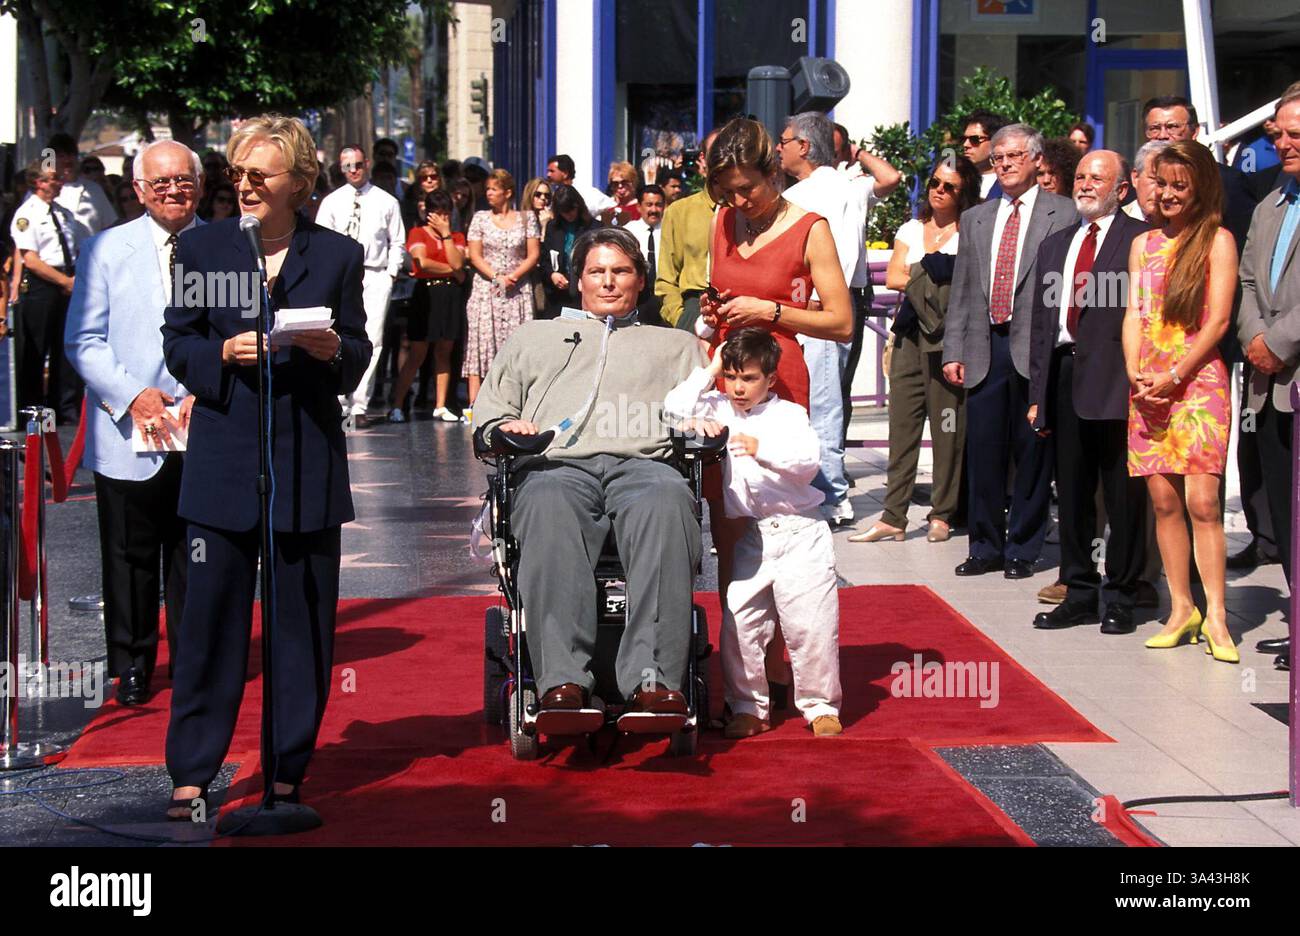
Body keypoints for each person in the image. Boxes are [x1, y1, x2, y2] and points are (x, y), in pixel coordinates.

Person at [161, 114, 372, 820]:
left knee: (300, 628)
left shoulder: (336, 254)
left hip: (305, 460)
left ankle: (286, 772)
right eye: (239, 174)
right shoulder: (203, 250)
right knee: (209, 626)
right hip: (223, 460)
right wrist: (221, 356)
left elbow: (359, 352)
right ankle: (191, 772)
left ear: (300, 184)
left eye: (262, 176)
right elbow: (180, 342)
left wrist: (329, 351)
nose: (245, 186)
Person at [472, 226, 706, 727]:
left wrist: (704, 423)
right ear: (576, 279)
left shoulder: (678, 346)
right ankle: (562, 681)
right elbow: (487, 415)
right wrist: (503, 426)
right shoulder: (533, 336)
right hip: (555, 465)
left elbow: (706, 411)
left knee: (667, 498)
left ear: (640, 280)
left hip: (645, 465)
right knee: (547, 502)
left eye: (620, 271)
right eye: (596, 271)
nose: (608, 282)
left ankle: (655, 682)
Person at [699, 116, 853, 703]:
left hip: (781, 380)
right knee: (730, 526)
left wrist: (771, 309)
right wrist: (718, 318)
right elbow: (721, 294)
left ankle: (788, 658)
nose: (740, 201)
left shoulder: (810, 228)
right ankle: (744, 671)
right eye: (728, 192)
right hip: (725, 380)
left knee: (781, 528)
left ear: (775, 172)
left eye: (749, 189)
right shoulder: (721, 220)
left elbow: (840, 323)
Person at [64, 140, 202, 708]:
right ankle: (132, 662)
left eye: (182, 180)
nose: (173, 191)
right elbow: (83, 340)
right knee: (129, 552)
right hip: (129, 426)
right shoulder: (104, 249)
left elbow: (236, 329)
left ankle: (197, 660)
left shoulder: (226, 247)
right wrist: (133, 396)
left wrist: (202, 389)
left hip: (201, 420)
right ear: (139, 190)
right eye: (160, 182)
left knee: (197, 548)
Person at [664, 328, 841, 737]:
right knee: (740, 622)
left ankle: (820, 706)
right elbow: (671, 408)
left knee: (810, 625)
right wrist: (709, 370)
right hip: (753, 535)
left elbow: (807, 463)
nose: (739, 388)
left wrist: (760, 449)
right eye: (732, 377)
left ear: (771, 379)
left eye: (749, 378)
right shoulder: (718, 407)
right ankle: (747, 706)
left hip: (802, 532)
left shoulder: (789, 414)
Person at [941, 123, 1079, 579]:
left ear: (1037, 160)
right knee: (982, 451)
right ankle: (984, 545)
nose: (1004, 164)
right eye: (998, 157)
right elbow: (962, 291)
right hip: (985, 347)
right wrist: (952, 350)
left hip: (1037, 348)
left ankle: (1023, 547)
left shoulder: (1065, 213)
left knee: (1033, 451)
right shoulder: (977, 218)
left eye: (1015, 156)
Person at [1027, 151, 1150, 634]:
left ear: (1121, 190)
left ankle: (1121, 594)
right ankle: (1078, 591)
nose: (1084, 185)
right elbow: (1041, 327)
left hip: (1120, 381)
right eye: (1079, 176)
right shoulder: (1056, 245)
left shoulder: (1140, 240)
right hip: (1064, 377)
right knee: (1073, 492)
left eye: (1096, 178)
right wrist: (1037, 392)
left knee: (1122, 496)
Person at [1125, 140, 1236, 662]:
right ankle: (1181, 608)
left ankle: (1216, 615)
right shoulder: (1143, 244)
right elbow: (1133, 313)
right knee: (1164, 501)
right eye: (1160, 183)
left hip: (1197, 384)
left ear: (1201, 188)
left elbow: (1217, 322)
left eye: (1178, 186)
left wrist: (1174, 374)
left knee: (1203, 502)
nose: (1166, 194)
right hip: (1148, 384)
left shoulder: (1217, 241)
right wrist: (1135, 370)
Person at [852, 156, 980, 545]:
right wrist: (938, 270)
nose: (938, 191)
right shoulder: (911, 227)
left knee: (947, 428)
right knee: (902, 428)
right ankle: (893, 515)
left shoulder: (971, 229)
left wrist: (921, 272)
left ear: (963, 194)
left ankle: (942, 514)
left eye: (949, 186)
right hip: (909, 336)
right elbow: (893, 276)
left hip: (949, 340)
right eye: (935, 183)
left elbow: (966, 281)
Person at [781, 111, 901, 525]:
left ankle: (831, 496)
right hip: (842, 302)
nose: (779, 149)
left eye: (785, 141)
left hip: (817, 304)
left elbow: (890, 180)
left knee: (822, 402)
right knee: (830, 400)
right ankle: (826, 489)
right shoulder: (848, 186)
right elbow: (890, 178)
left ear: (804, 146)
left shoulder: (803, 195)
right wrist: (858, 154)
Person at [1238, 90, 1300, 669]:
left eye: (1294, 133)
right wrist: (1256, 338)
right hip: (1270, 384)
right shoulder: (1270, 202)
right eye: (1277, 134)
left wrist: (1277, 343)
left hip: (1291, 366)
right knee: (1285, 511)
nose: (1283, 143)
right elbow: (1249, 281)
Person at [314, 144, 405, 424]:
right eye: (346, 166)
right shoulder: (332, 202)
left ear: (366, 164)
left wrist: (390, 273)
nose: (353, 171)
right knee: (336, 332)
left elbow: (397, 241)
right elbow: (321, 238)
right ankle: (338, 396)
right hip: (340, 276)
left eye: (357, 165)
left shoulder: (386, 201)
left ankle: (360, 402)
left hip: (374, 273)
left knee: (373, 338)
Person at [9, 159, 87, 422]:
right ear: (39, 182)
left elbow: (74, 246)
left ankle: (63, 406)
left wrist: (73, 278)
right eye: (53, 178)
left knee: (64, 347)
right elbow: (30, 259)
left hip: (67, 277)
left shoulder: (63, 213)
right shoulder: (26, 214)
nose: (59, 182)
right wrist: (64, 282)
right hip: (43, 284)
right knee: (35, 349)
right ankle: (31, 408)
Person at [463, 168, 541, 422]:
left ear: (507, 192)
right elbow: (474, 254)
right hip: (487, 289)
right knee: (482, 344)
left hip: (517, 290)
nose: (489, 194)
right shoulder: (480, 218)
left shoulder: (527, 218)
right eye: (487, 189)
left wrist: (514, 276)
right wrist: (497, 275)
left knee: (517, 346)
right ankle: (475, 404)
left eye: (493, 189)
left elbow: (533, 253)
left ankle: (516, 402)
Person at [388, 190, 465, 423]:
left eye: (446, 214)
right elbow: (421, 264)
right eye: (438, 214)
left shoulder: (457, 236)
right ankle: (397, 405)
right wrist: (452, 270)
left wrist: (446, 236)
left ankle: (440, 405)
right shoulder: (417, 232)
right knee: (417, 353)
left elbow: (458, 262)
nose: (443, 219)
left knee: (444, 352)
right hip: (426, 294)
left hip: (450, 296)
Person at [655, 130, 719, 330]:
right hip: (693, 306)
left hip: (739, 309)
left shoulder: (748, 211)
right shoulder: (680, 211)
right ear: (703, 159)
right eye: (717, 153)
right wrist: (681, 318)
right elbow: (666, 277)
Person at [538, 183, 598, 321]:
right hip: (558, 295)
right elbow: (544, 258)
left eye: (571, 210)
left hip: (583, 294)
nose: (568, 215)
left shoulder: (594, 227)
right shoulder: (553, 227)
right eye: (564, 212)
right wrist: (552, 275)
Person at [47, 132, 118, 237]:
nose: (67, 160)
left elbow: (110, 227)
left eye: (70, 155)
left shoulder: (94, 190)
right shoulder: (44, 191)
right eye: (61, 156)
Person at [621, 184, 666, 321]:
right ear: (639, 207)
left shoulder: (671, 230)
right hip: (639, 297)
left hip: (665, 295)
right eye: (649, 204)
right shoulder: (628, 231)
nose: (654, 209)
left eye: (658, 205)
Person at [546, 152, 615, 218]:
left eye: (552, 171)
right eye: (548, 171)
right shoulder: (550, 195)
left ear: (565, 174)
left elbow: (613, 207)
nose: (548, 175)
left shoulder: (587, 193)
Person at [959, 110, 1009, 199]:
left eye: (974, 139)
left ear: (996, 142)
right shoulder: (957, 181)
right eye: (963, 139)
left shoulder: (1011, 185)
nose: (965, 145)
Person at [401, 160, 443, 230]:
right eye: (424, 178)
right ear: (419, 181)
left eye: (433, 176)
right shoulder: (409, 203)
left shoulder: (448, 201)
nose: (429, 180)